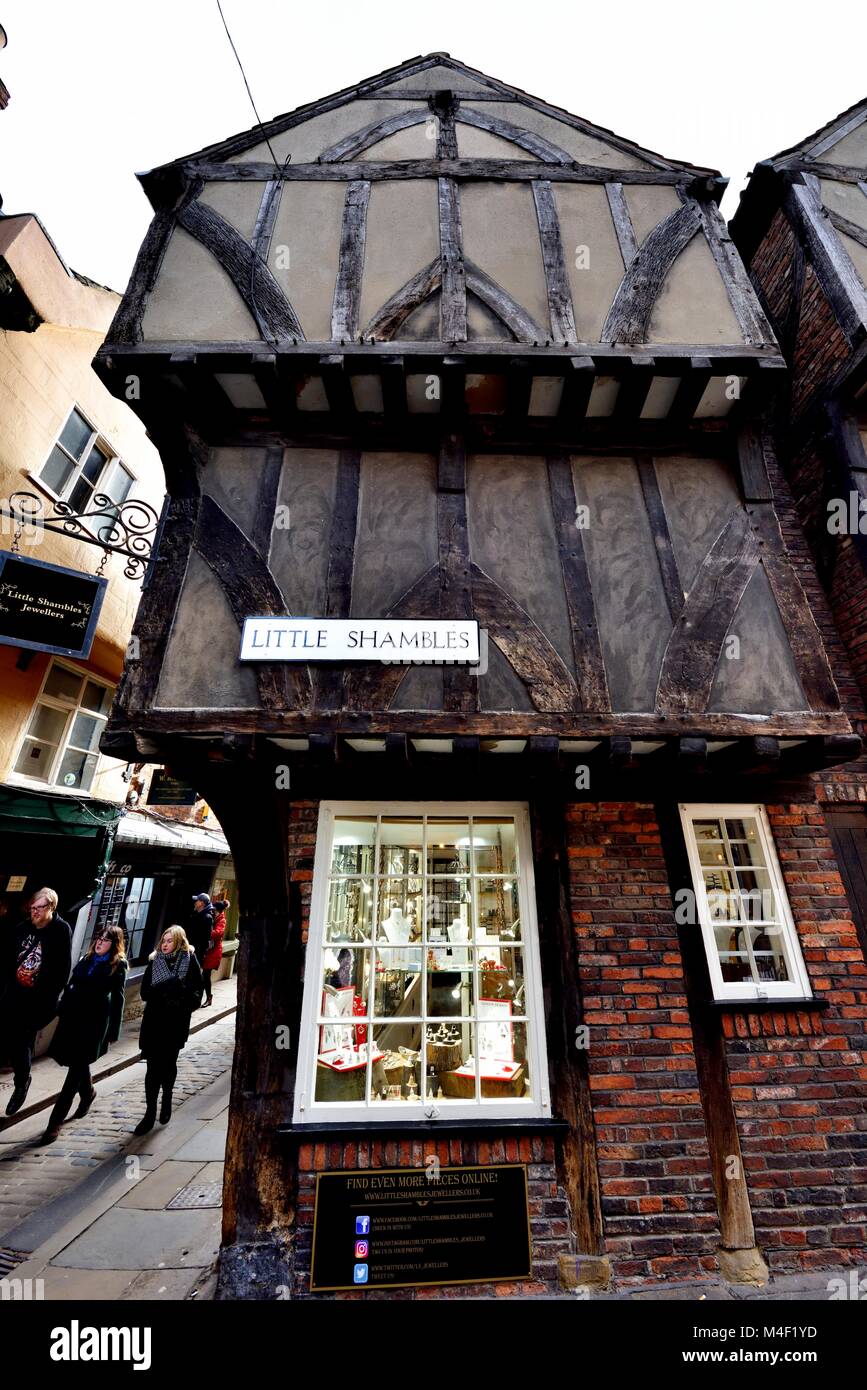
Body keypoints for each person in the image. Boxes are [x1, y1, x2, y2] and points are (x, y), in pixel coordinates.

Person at [40, 924, 128, 1144]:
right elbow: (72, 985)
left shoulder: (118, 966)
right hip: (72, 1021)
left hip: (93, 1025)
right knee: (78, 1065)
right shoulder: (85, 959)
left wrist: (114, 1030)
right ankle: (88, 1093)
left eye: (106, 939)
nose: (99, 942)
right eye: (99, 937)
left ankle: (55, 1122)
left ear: (114, 944)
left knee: (74, 1073)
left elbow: (118, 999)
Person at [1, 888, 72, 1116]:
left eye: (39, 908)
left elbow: (62, 969)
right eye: (32, 907)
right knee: (10, 1039)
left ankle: (22, 1083)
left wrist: (47, 998)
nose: (34, 912)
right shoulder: (22, 928)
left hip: (38, 1000)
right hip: (13, 994)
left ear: (51, 907)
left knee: (21, 1040)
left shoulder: (61, 930)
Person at [133, 926, 202, 1136]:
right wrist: (167, 987)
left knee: (168, 1065)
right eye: (163, 940)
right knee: (152, 1069)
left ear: (179, 942)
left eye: (169, 941)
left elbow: (196, 997)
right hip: (154, 1022)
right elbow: (145, 992)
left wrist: (177, 992)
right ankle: (150, 1111)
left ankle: (167, 1099)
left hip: (175, 1023)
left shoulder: (189, 961)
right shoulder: (155, 962)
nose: (164, 944)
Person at [200, 898, 227, 1006]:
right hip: (208, 950)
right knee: (204, 975)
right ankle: (203, 997)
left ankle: (208, 997)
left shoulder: (222, 920)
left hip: (214, 952)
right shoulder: (214, 917)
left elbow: (217, 933)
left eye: (214, 911)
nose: (212, 912)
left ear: (219, 911)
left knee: (205, 975)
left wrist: (206, 930)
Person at [187, 893, 214, 966]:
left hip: (196, 952)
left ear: (201, 903)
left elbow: (205, 938)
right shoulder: (197, 915)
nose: (195, 903)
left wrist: (197, 952)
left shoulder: (207, 917)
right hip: (190, 949)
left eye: (197, 901)